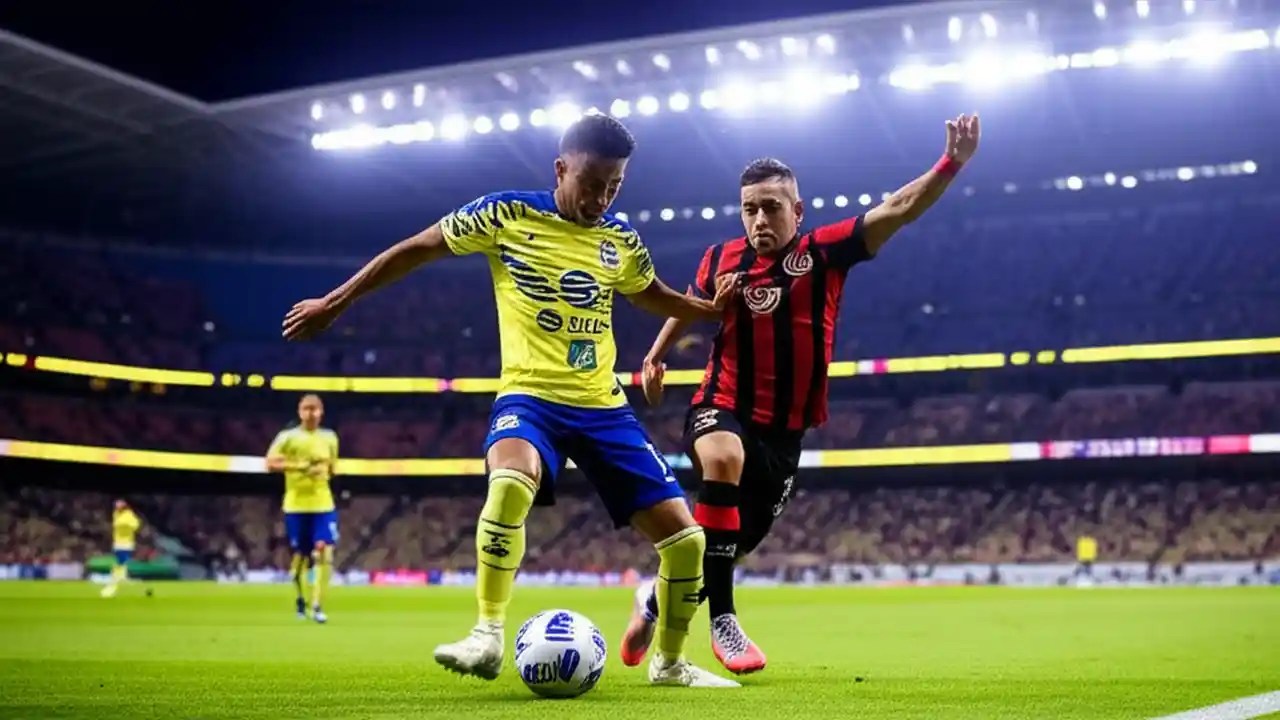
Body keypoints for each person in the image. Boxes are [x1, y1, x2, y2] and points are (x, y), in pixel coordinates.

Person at [281, 113, 741, 687]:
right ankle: (487, 635)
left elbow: (649, 293)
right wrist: (335, 302)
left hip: (603, 406)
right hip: (530, 396)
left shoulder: (620, 239)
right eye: (591, 182)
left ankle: (669, 664)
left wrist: (707, 310)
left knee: (687, 542)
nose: (601, 198)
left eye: (614, 186)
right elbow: (417, 248)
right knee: (508, 484)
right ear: (561, 168)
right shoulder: (506, 213)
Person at [621, 114, 982, 675]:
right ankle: (724, 620)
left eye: (771, 207)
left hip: (785, 431)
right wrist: (656, 354)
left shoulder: (825, 252)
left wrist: (950, 163)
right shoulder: (719, 259)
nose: (759, 219)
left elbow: (899, 208)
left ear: (798, 210)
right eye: (749, 209)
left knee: (729, 545)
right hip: (722, 402)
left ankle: (651, 601)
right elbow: (690, 304)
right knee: (723, 456)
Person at [266, 393, 339, 624]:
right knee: (301, 557)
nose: (310, 413)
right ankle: (300, 599)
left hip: (323, 504)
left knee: (324, 552)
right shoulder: (288, 437)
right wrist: (300, 466)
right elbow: (270, 463)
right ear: (299, 412)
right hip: (296, 505)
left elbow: (333, 468)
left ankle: (317, 606)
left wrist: (323, 472)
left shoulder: (329, 438)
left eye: (314, 409)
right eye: (306, 408)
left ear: (321, 412)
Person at [101, 499, 140, 598]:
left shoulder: (129, 514)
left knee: (123, 559)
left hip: (127, 542)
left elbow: (135, 525)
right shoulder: (116, 514)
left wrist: (127, 524)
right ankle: (118, 577)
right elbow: (117, 524)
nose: (117, 508)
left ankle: (120, 576)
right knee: (121, 560)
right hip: (118, 542)